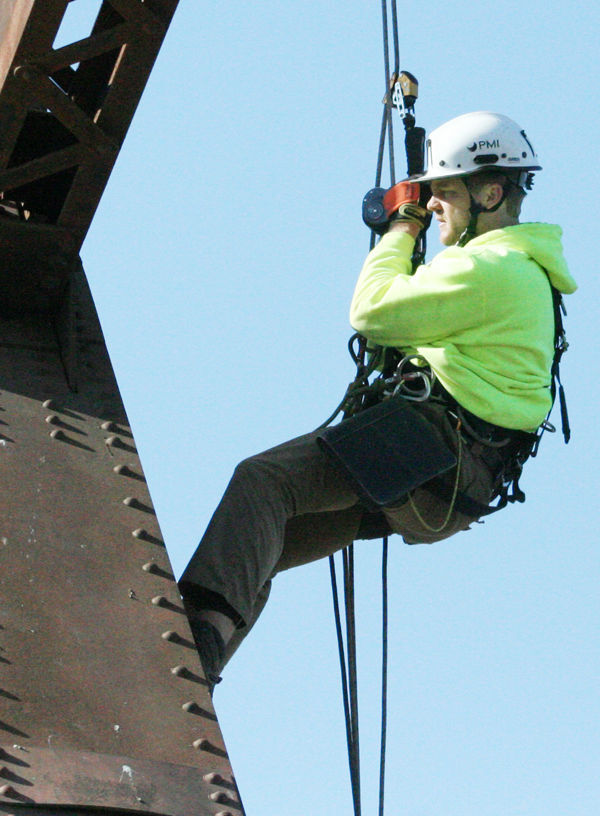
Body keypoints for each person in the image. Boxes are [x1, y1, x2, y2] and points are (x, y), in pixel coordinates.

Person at [179, 111, 577, 689]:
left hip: (425, 451)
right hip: (449, 484)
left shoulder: (489, 267)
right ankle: (195, 672)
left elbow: (371, 312)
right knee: (258, 550)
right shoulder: (525, 277)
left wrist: (401, 229)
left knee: (262, 484)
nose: (435, 203)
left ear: (490, 192)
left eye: (443, 191)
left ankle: (187, 651)